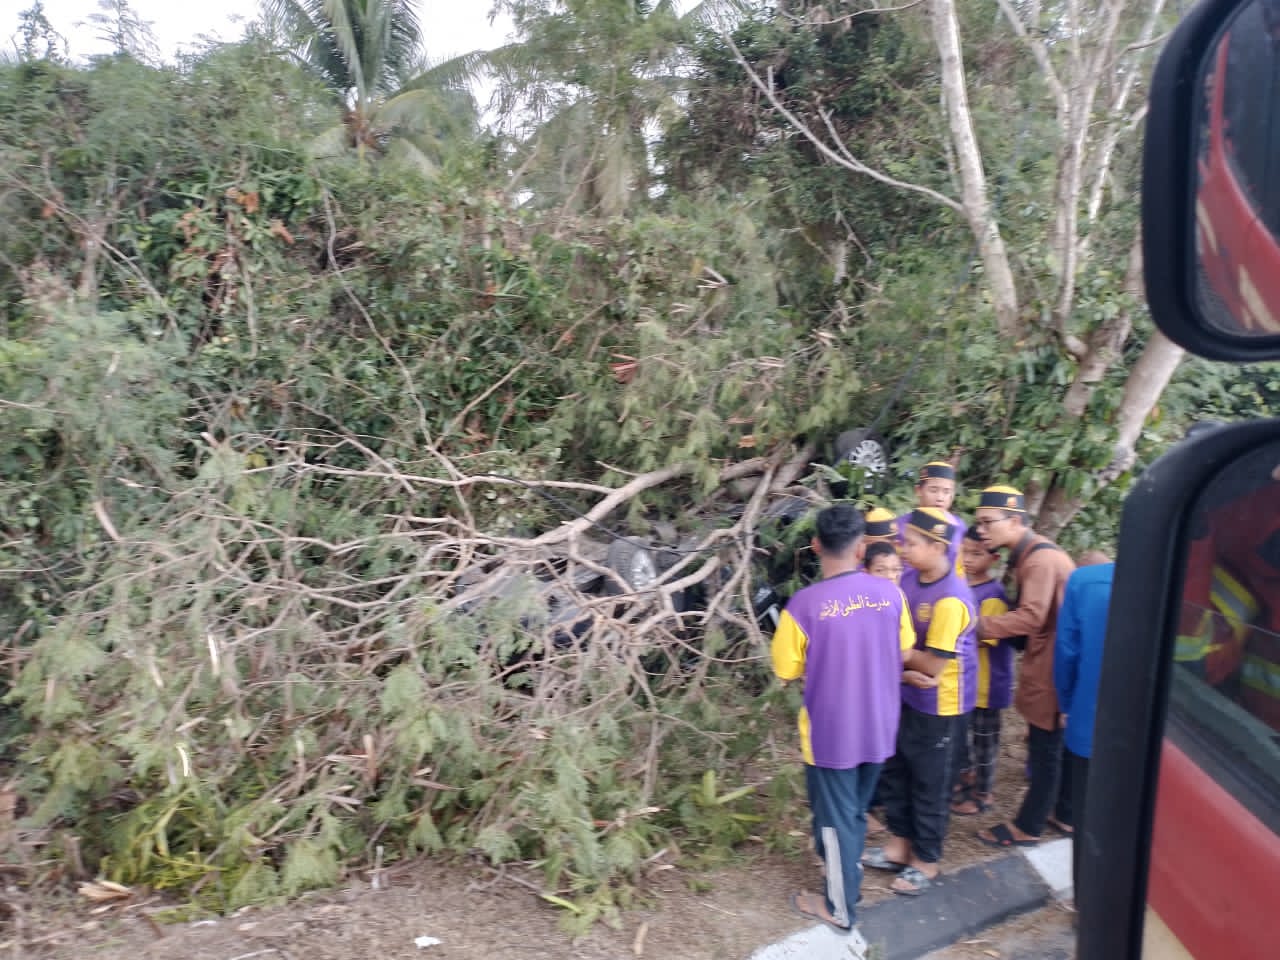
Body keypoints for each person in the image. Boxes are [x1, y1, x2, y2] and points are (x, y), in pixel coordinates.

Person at [771, 505, 915, 937]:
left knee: (834, 823)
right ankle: (847, 879)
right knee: (852, 812)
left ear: (815, 545)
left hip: (831, 735)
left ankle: (839, 906)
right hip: (879, 725)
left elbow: (785, 670)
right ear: (862, 548)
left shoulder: (803, 606)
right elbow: (904, 647)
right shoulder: (892, 594)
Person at [864, 508, 977, 896]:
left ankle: (926, 860)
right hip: (903, 693)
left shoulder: (951, 600)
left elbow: (931, 666)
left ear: (937, 546)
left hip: (940, 705)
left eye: (911, 543)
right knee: (898, 770)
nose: (903, 550)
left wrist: (901, 650)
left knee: (930, 782)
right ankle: (899, 845)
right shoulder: (909, 578)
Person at [972, 485, 1077, 849]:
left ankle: (1028, 825)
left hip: (1054, 663)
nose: (981, 531)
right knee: (1054, 744)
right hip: (1052, 657)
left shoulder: (1039, 560)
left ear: (1015, 520)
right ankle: (1064, 813)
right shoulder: (1029, 555)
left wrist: (977, 627)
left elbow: (1032, 617)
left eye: (988, 522)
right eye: (978, 523)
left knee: (1046, 746)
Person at [1053, 550, 1115, 898]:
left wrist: (1066, 703)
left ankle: (1086, 902)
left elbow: (1067, 651)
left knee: (1089, 817)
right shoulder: (1178, 578)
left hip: (1090, 719)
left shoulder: (1086, 582)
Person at [951, 528, 1013, 816]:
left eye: (977, 554)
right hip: (966, 684)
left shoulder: (993, 594)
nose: (968, 559)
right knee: (962, 736)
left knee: (984, 742)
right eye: (964, 551)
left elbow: (984, 637)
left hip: (988, 685)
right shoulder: (960, 586)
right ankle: (966, 778)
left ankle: (984, 793)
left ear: (994, 558)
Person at [896, 462, 967, 575]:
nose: (940, 498)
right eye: (933, 490)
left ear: (952, 494)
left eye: (946, 492)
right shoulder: (899, 525)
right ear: (918, 491)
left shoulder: (959, 526)